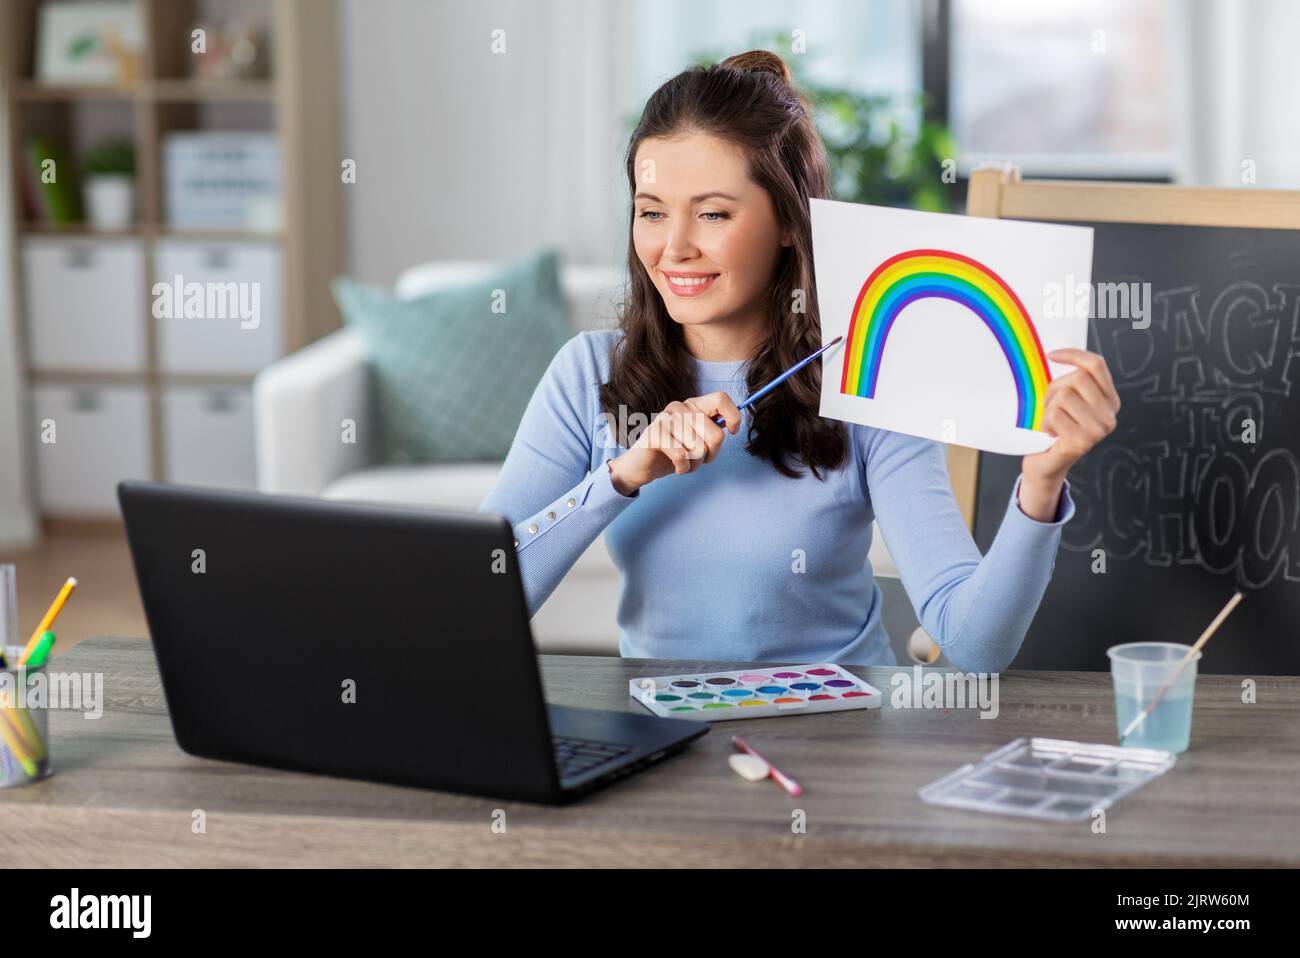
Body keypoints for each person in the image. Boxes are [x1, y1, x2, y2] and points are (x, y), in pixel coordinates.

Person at [480, 50, 1120, 670]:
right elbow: (483, 593)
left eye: (712, 213)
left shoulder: (867, 380)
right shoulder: (585, 374)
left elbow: (975, 645)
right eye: (651, 213)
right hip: (662, 737)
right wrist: (620, 477)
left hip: (838, 745)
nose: (674, 248)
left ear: (788, 221)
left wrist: (1040, 482)